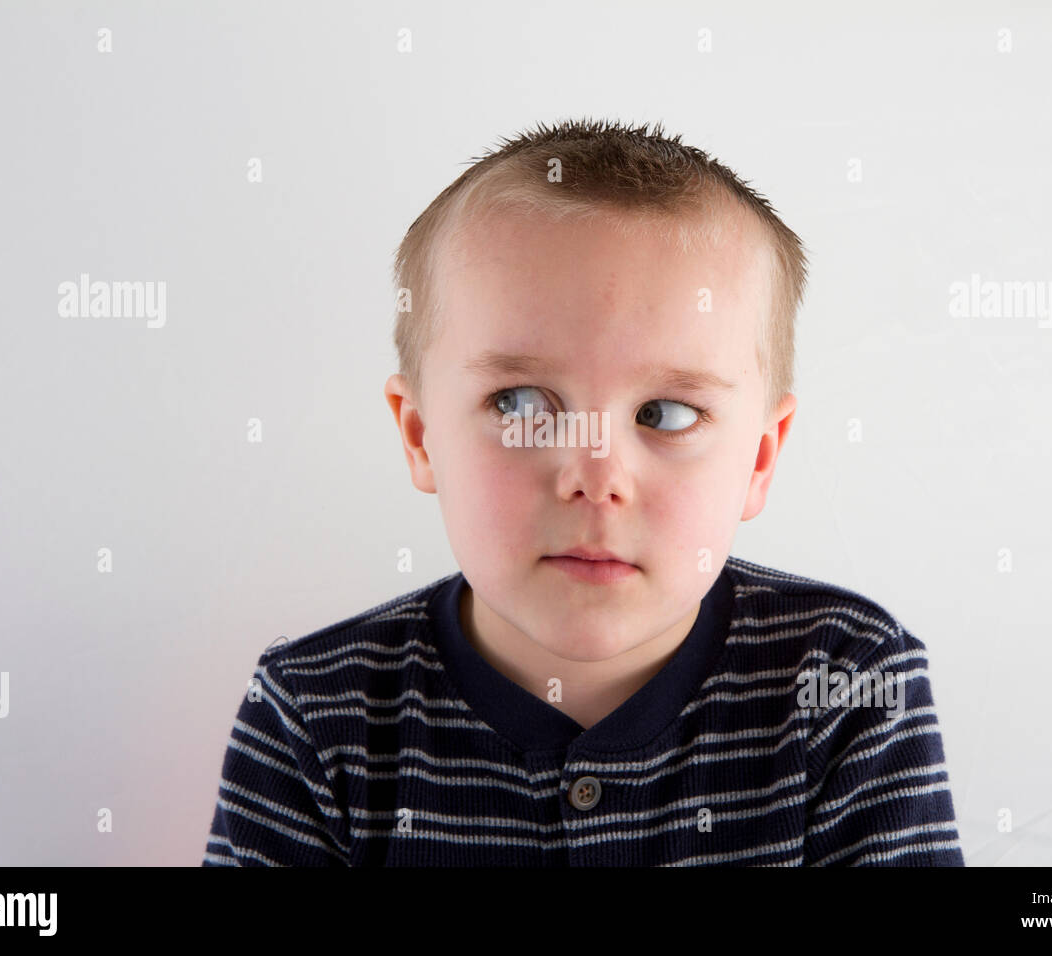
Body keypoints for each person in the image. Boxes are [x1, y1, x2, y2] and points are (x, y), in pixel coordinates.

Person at [202, 118, 964, 866]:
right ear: (420, 435)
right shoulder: (311, 713)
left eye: (664, 415)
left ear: (759, 459)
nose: (595, 478)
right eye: (523, 405)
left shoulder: (849, 683)